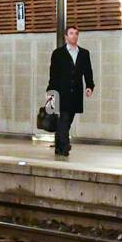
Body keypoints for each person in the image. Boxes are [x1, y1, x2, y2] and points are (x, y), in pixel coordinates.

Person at [46, 24, 94, 158]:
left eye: (76, 33)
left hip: (76, 93)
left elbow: (88, 71)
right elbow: (53, 74)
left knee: (67, 120)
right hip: (61, 92)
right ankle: (64, 146)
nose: (74, 36)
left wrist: (89, 86)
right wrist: (50, 93)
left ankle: (59, 146)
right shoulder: (58, 53)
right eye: (71, 33)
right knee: (64, 118)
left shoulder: (84, 53)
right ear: (66, 36)